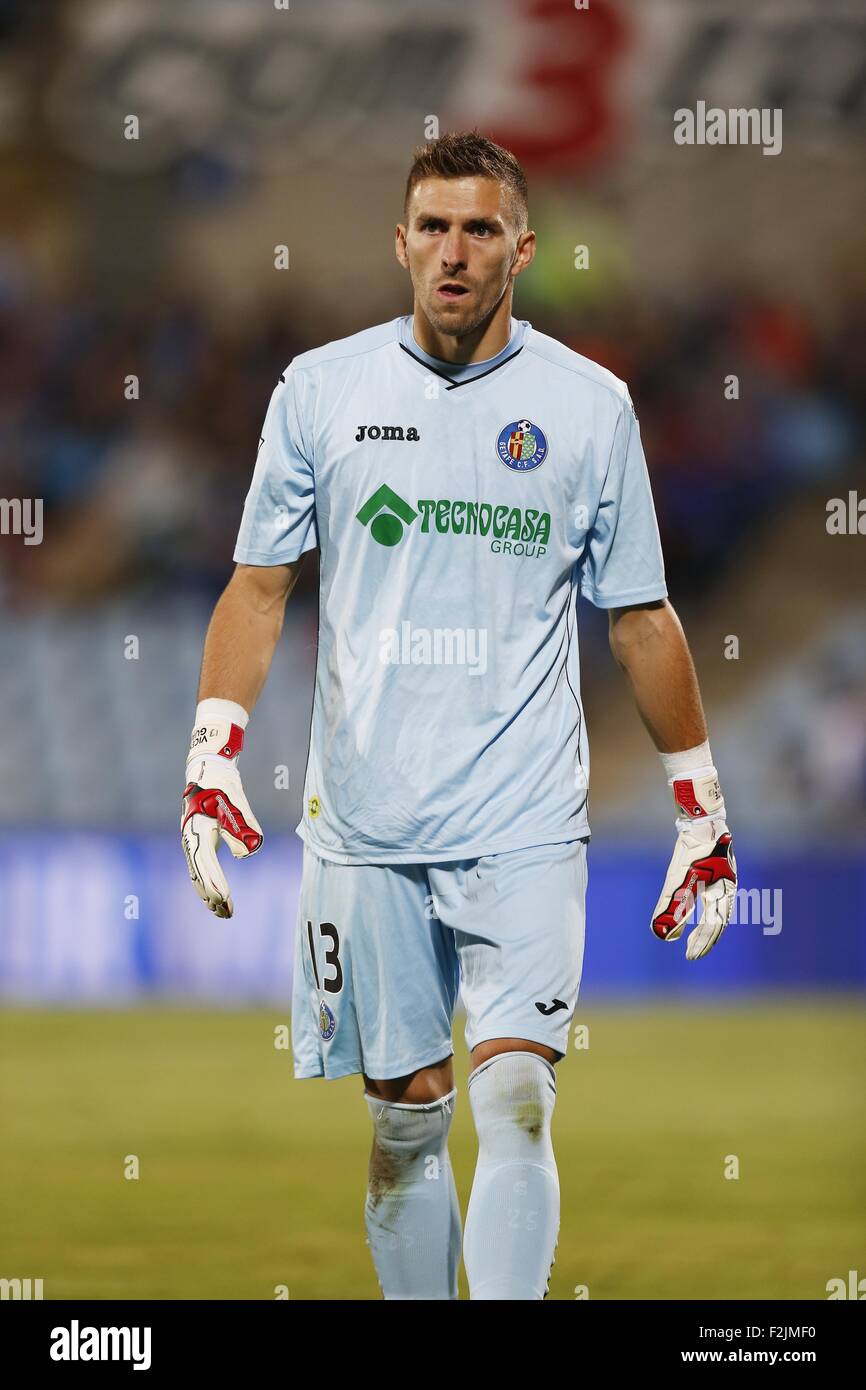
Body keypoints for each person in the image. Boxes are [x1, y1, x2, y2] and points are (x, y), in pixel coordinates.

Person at [181, 132, 737, 1301]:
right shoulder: (321, 391)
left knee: (518, 1100)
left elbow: (639, 616)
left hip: (524, 814)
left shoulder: (588, 407)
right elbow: (259, 583)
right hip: (368, 822)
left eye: (479, 228)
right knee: (404, 1132)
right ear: (398, 243)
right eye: (431, 226)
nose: (451, 251)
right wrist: (211, 750)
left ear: (521, 249)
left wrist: (700, 810)